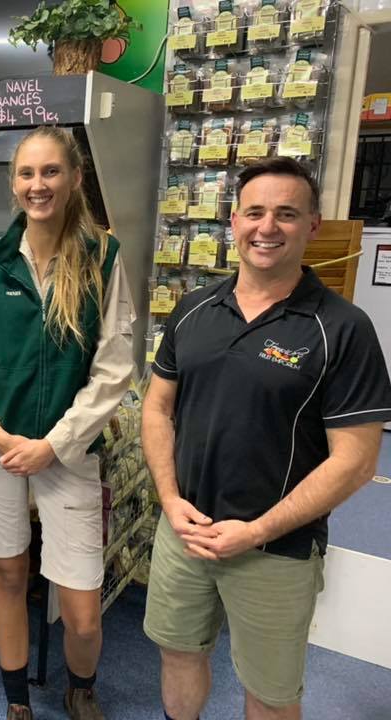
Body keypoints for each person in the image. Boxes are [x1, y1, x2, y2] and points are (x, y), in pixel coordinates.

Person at [142, 157, 391, 720]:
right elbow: (158, 410)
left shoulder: (343, 329)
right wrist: (169, 500)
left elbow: (355, 460)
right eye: (254, 212)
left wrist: (256, 530)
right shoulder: (194, 308)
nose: (267, 227)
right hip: (184, 531)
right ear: (233, 222)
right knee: (178, 653)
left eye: (286, 213)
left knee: (271, 695)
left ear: (313, 225)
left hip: (275, 550)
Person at [0, 126, 135, 720]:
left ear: (75, 178)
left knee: (80, 608)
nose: (38, 185)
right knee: (8, 571)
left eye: (50, 172)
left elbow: (114, 369)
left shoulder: (102, 256)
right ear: (14, 183)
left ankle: (82, 685)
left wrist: (53, 445)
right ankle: (16, 696)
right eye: (27, 174)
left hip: (68, 452)